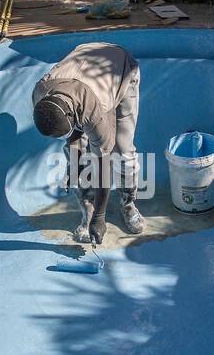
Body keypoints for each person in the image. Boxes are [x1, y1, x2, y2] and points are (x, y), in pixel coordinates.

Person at [32, 42, 144, 244]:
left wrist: (100, 218)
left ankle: (128, 203)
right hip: (83, 71)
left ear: (71, 115)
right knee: (75, 153)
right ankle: (88, 206)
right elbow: (73, 138)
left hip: (120, 72)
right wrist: (74, 161)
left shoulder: (95, 109)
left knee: (122, 150)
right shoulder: (41, 92)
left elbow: (103, 166)